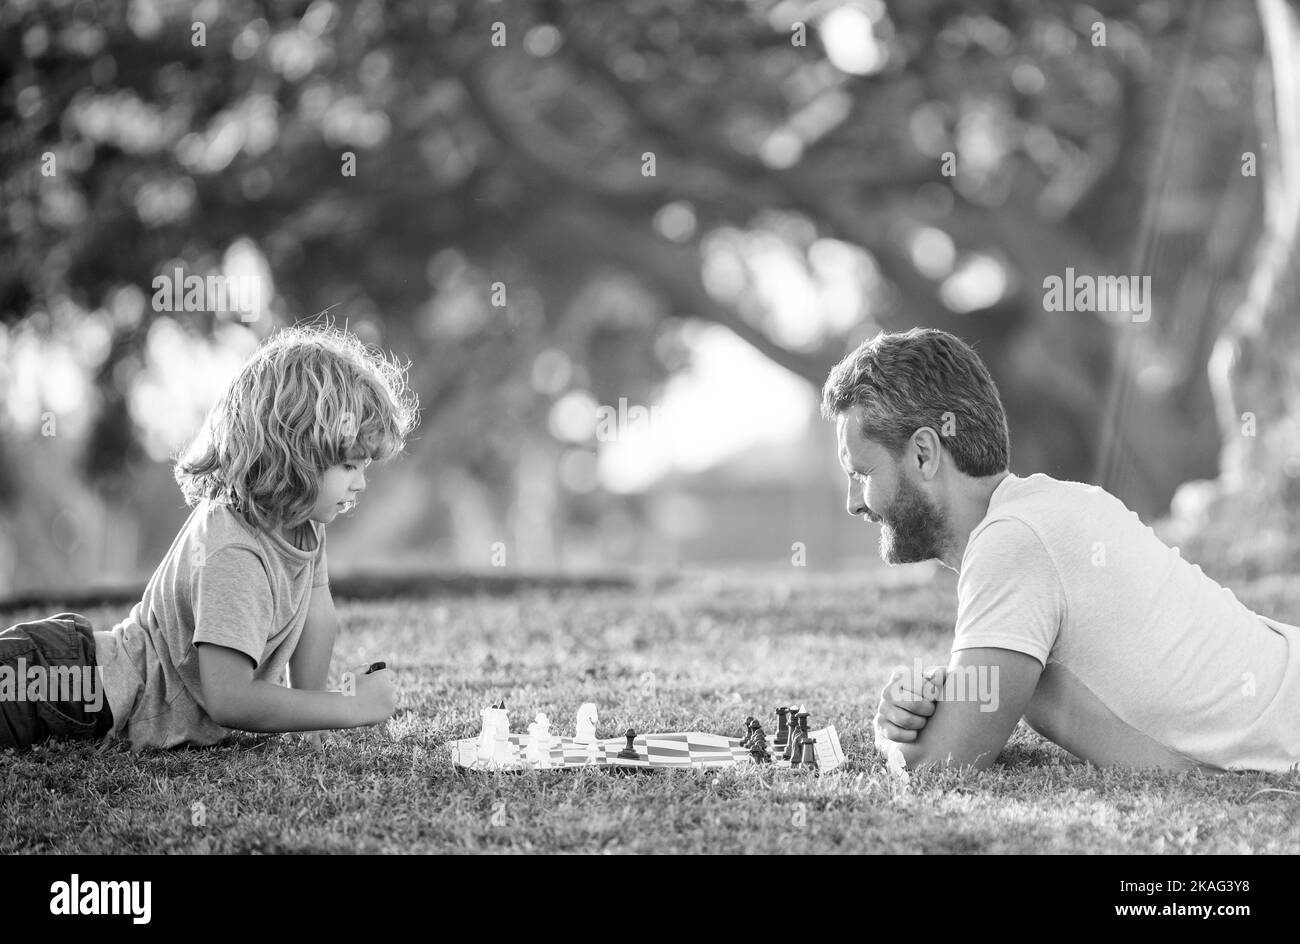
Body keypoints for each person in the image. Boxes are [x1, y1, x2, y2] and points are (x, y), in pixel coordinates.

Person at [821, 327, 1300, 773]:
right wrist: (958, 689)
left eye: (862, 474)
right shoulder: (1050, 507)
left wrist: (889, 734)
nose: (851, 503)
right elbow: (1033, 691)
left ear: (925, 454)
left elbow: (940, 763)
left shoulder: (1013, 540)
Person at [0, 323, 418, 750]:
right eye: (349, 466)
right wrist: (348, 706)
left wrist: (314, 727)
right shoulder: (233, 546)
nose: (362, 483)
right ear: (296, 455)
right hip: (66, 684)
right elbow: (230, 699)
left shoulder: (305, 524)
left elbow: (318, 616)